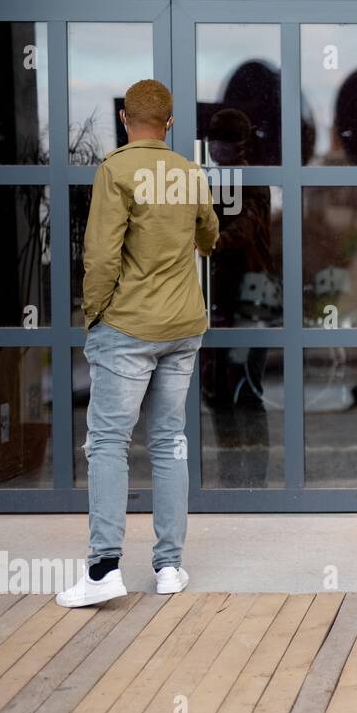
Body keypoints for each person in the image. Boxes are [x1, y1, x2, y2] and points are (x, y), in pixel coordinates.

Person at [58, 79, 220, 607]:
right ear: (170, 123)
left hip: (128, 327)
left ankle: (104, 570)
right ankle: (170, 567)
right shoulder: (190, 173)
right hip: (183, 327)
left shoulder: (117, 170)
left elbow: (100, 257)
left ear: (126, 120)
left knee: (108, 443)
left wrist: (95, 316)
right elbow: (209, 236)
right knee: (170, 441)